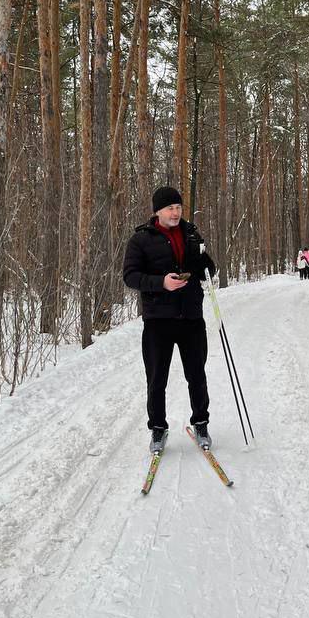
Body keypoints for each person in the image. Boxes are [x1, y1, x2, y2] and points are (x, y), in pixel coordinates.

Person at [123, 186, 216, 454]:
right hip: (158, 321)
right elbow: (130, 276)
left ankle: (201, 423)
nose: (175, 213)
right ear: (157, 212)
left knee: (197, 375)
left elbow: (209, 269)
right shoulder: (141, 240)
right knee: (156, 379)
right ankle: (158, 428)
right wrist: (161, 283)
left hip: (191, 317)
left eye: (178, 208)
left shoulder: (191, 234)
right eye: (170, 208)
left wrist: (202, 263)